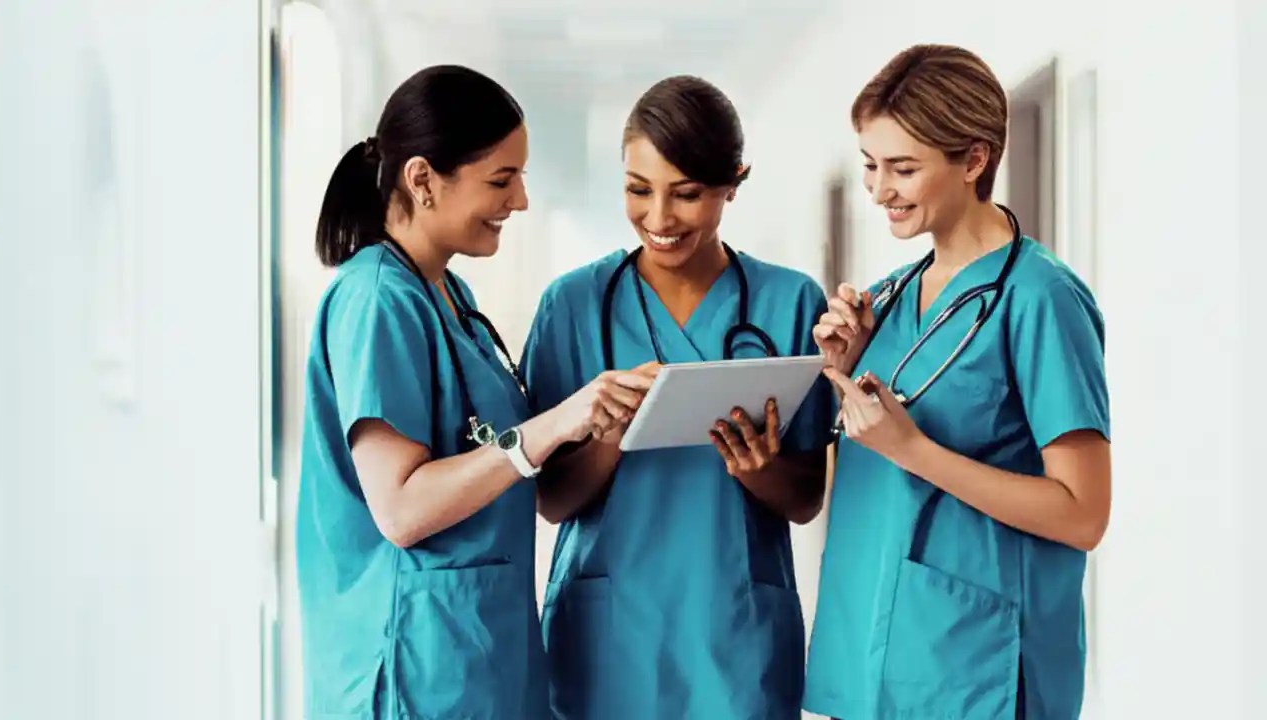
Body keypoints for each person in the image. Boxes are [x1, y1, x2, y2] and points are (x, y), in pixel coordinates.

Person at [296, 65, 658, 720]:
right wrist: (550, 427)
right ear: (422, 180)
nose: (519, 201)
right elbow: (401, 509)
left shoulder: (449, 296)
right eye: (501, 180)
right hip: (411, 667)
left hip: (473, 663)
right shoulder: (378, 300)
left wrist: (597, 426)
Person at [802, 45, 1113, 720]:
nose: (880, 190)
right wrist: (841, 372)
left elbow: (1083, 514)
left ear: (974, 160)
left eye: (903, 168)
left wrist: (913, 449)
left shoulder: (1041, 299)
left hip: (976, 666)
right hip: (872, 657)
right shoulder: (887, 301)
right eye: (870, 166)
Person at [519, 75, 835, 718]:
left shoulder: (790, 301)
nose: (659, 219)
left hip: (735, 636)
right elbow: (549, 500)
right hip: (608, 638)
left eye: (687, 194)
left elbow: (805, 500)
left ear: (733, 183)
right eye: (639, 190)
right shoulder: (573, 305)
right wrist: (606, 438)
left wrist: (760, 469)